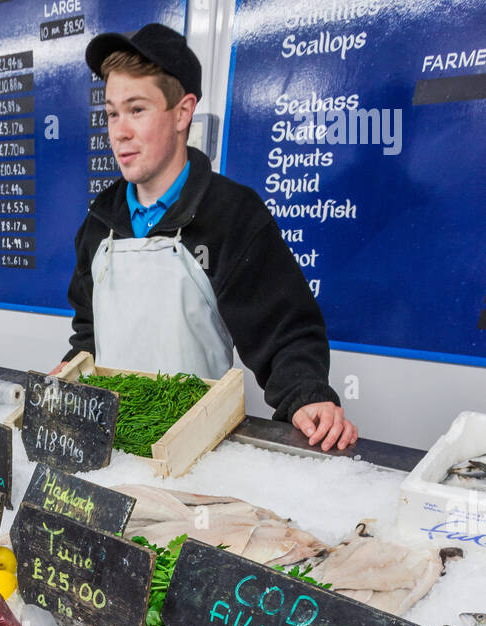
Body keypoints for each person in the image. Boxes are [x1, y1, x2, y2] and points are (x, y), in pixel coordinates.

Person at [53, 23, 358, 452]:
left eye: (136, 110)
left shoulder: (232, 215)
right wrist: (67, 373)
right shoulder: (100, 221)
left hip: (198, 449)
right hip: (109, 447)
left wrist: (306, 396)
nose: (119, 131)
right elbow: (89, 332)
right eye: (112, 113)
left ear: (182, 113)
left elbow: (285, 331)